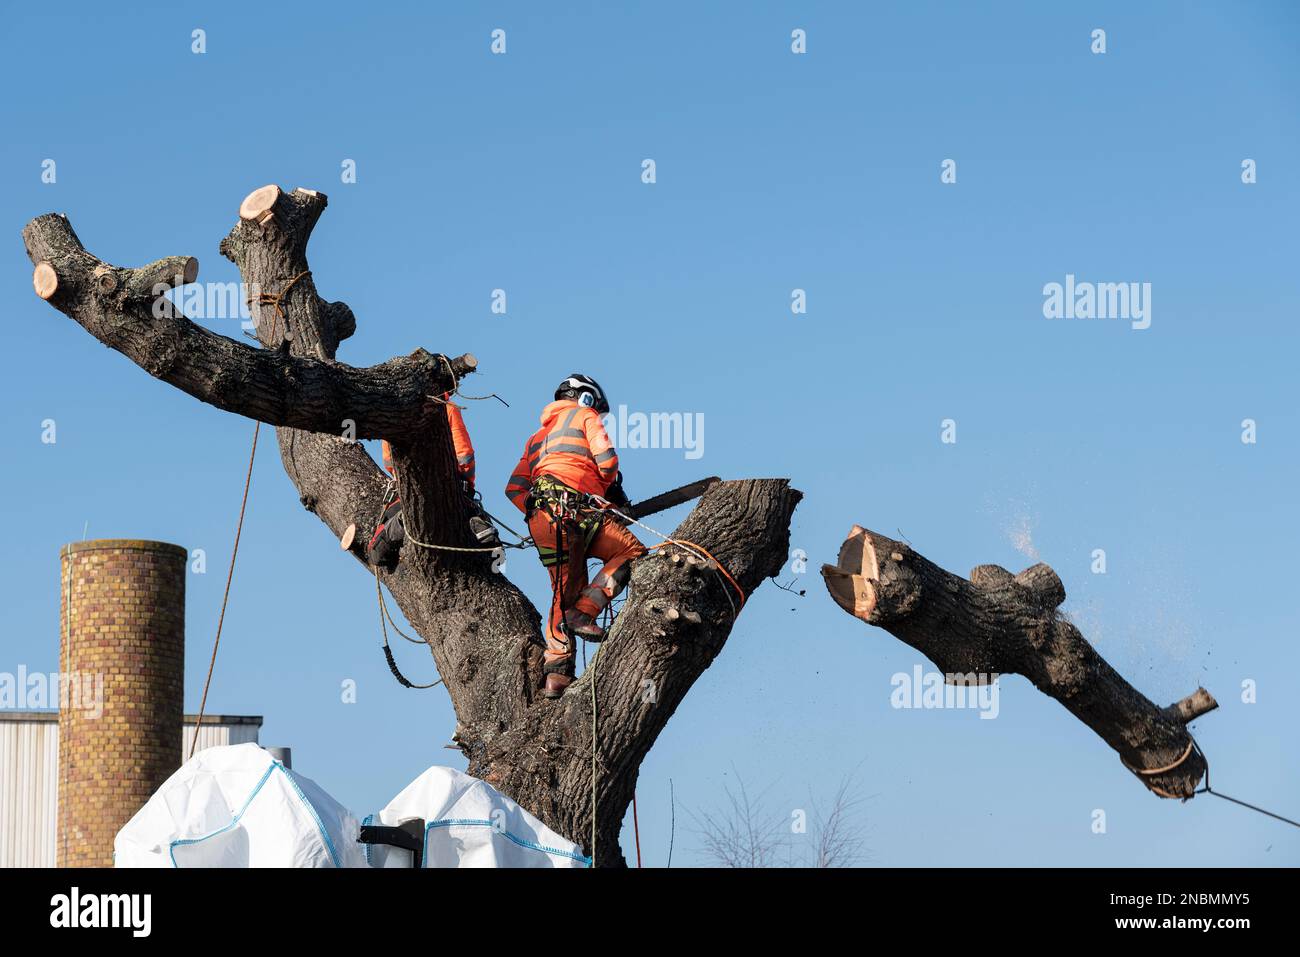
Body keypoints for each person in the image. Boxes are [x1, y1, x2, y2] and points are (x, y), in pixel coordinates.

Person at [506, 374, 646, 698]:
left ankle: (556, 673)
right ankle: (585, 612)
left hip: (543, 519)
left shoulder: (536, 438)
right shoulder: (585, 416)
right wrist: (609, 489)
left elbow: (513, 488)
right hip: (579, 513)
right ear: (587, 398)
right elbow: (608, 463)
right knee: (631, 551)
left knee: (562, 590)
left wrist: (534, 510)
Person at [369, 396, 499, 567]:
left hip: (409, 495)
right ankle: (473, 526)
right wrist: (466, 484)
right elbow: (464, 456)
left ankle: (401, 522)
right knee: (494, 548)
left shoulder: (392, 410)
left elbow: (389, 461)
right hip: (452, 492)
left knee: (376, 554)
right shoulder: (447, 407)